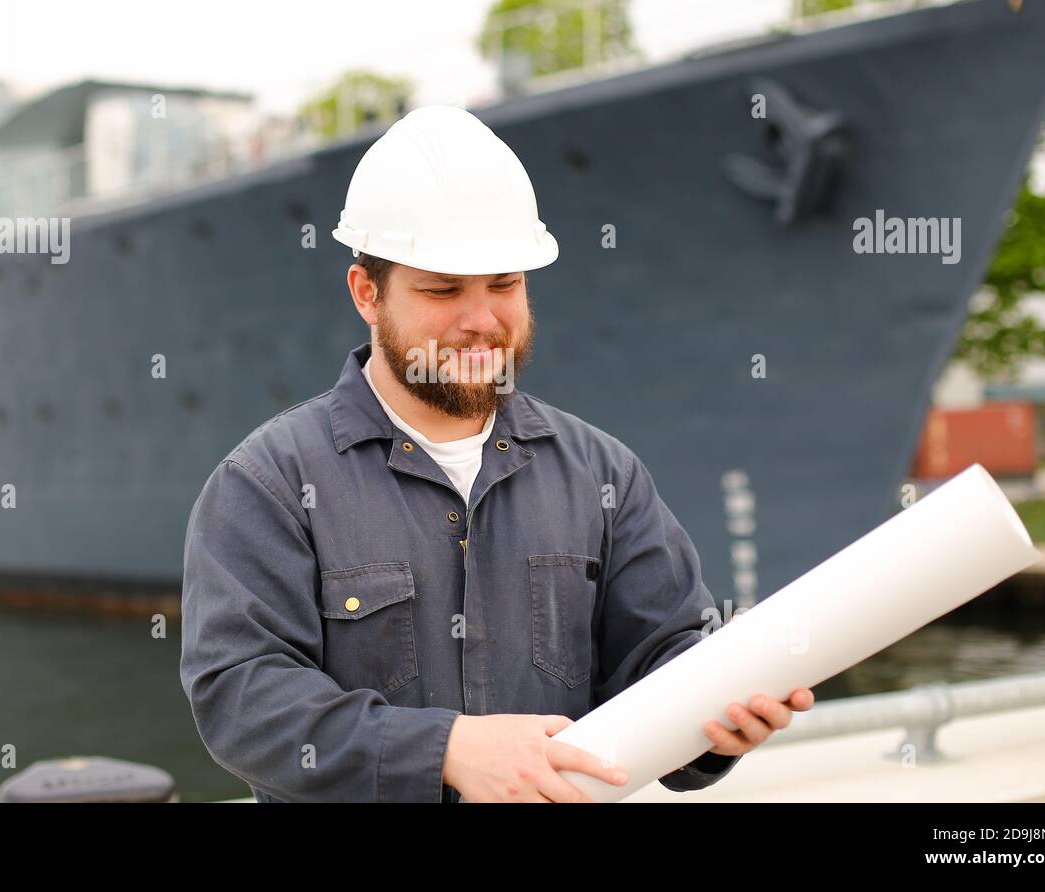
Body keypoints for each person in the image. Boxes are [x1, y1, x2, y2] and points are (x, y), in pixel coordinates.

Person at [180, 105, 812, 802]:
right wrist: (444, 751)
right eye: (444, 289)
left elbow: (661, 654)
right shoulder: (267, 483)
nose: (481, 320)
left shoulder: (605, 475)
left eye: (504, 284)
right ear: (367, 293)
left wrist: (715, 718)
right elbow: (242, 699)